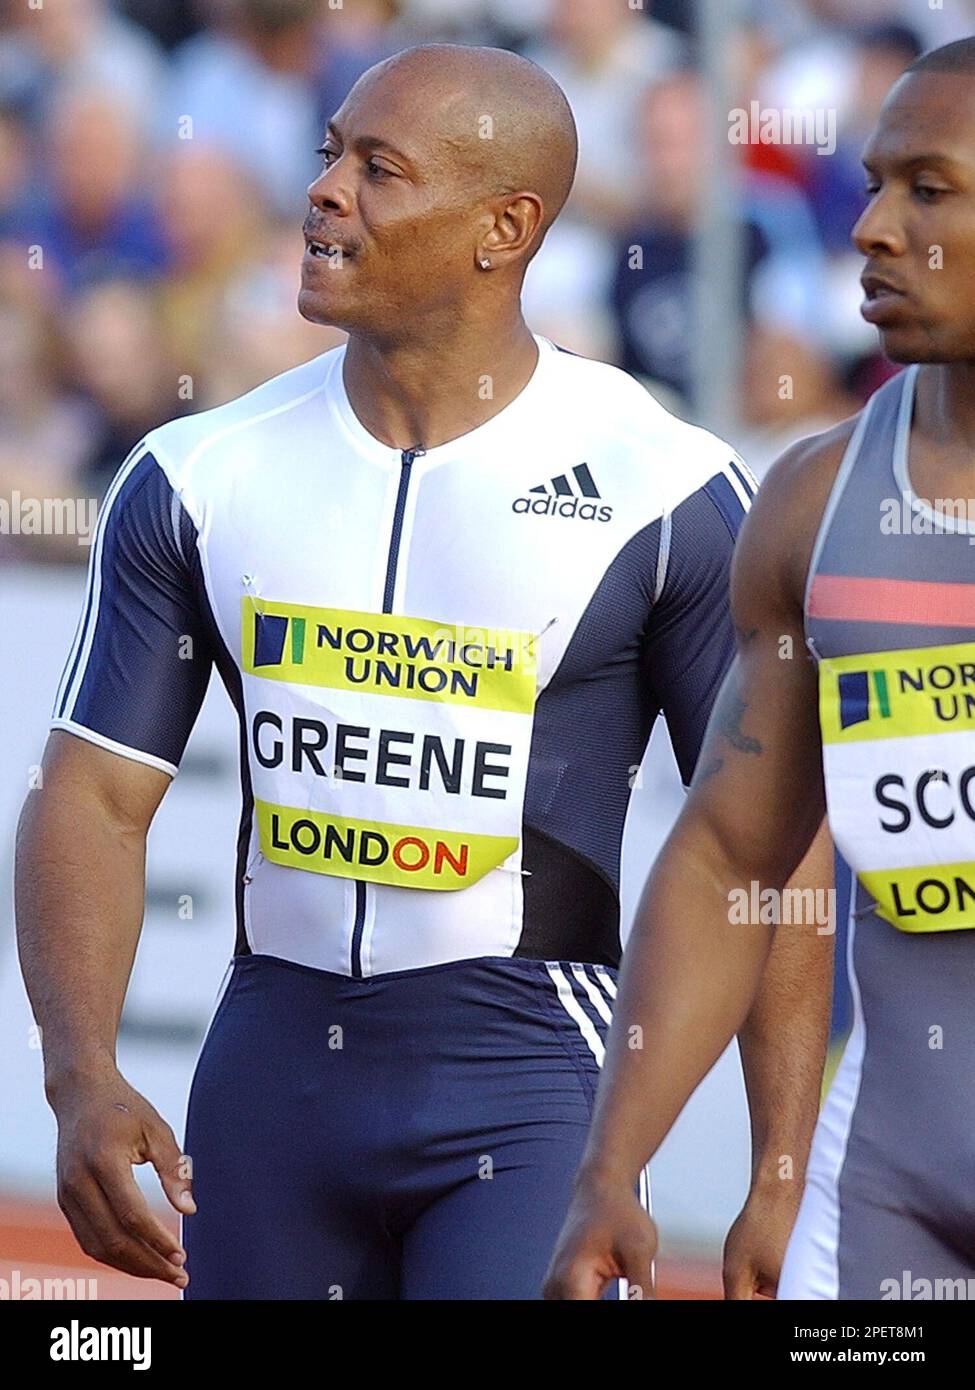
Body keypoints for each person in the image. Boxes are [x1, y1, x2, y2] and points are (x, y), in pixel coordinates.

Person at [15, 43, 829, 1301]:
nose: (326, 190)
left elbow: (775, 848)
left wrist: (781, 1169)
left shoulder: (665, 490)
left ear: (506, 228)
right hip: (271, 1076)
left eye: (378, 169)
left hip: (528, 1084)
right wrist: (79, 1072)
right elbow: (93, 796)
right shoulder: (193, 474)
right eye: (330, 150)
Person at [545, 36, 975, 1302]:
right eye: (874, 184)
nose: (873, 230)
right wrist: (613, 1164)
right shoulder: (813, 499)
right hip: (890, 1177)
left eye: (931, 189)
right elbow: (737, 855)